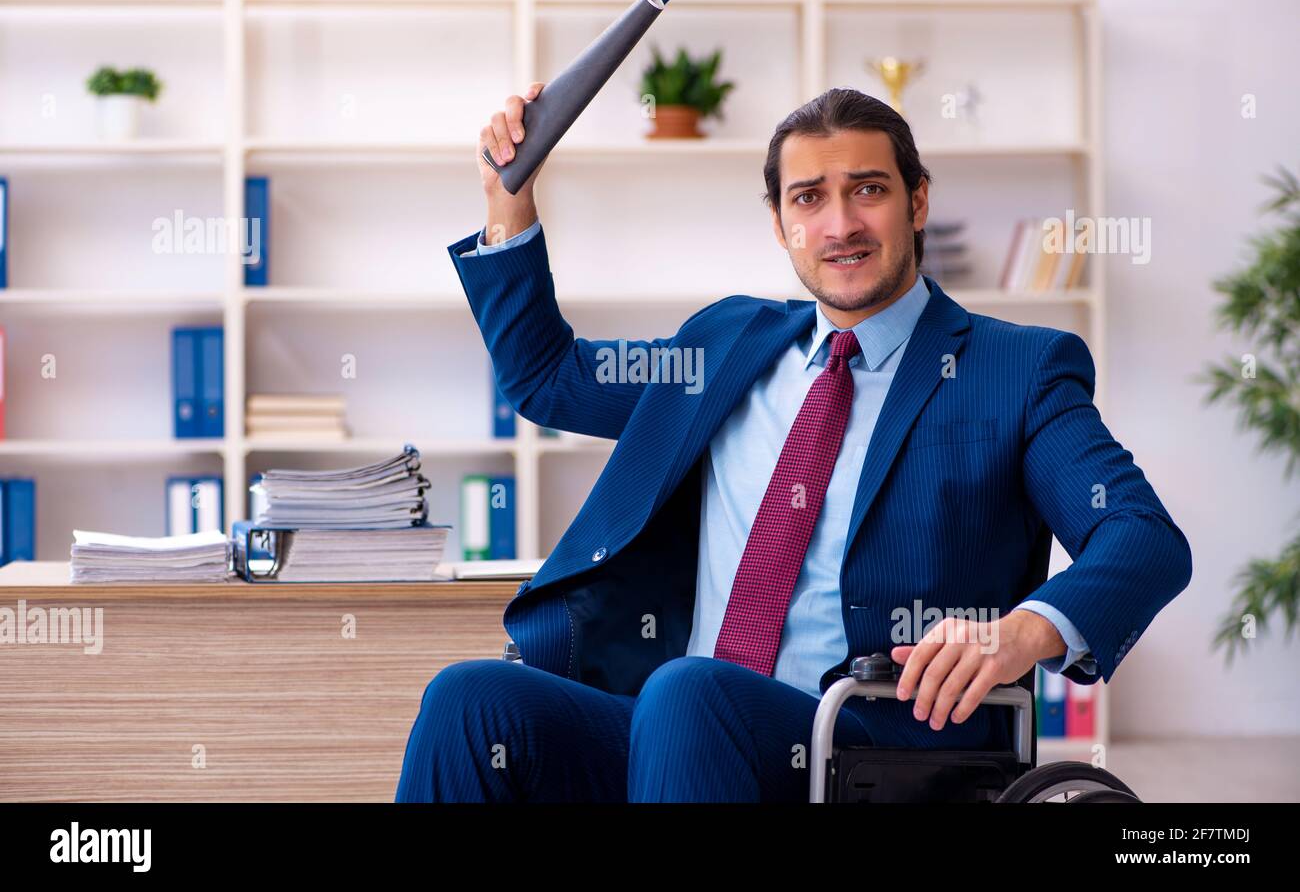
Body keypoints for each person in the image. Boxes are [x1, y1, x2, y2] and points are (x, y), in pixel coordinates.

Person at [395, 84, 1192, 802]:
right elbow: (548, 378)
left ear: (917, 202)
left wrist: (1023, 629)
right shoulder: (724, 344)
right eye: (810, 198)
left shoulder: (1014, 369)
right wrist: (509, 197)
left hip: (877, 748)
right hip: (681, 726)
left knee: (686, 694)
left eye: (868, 191)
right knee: (471, 699)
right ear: (780, 224)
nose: (839, 224)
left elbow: (1142, 536)